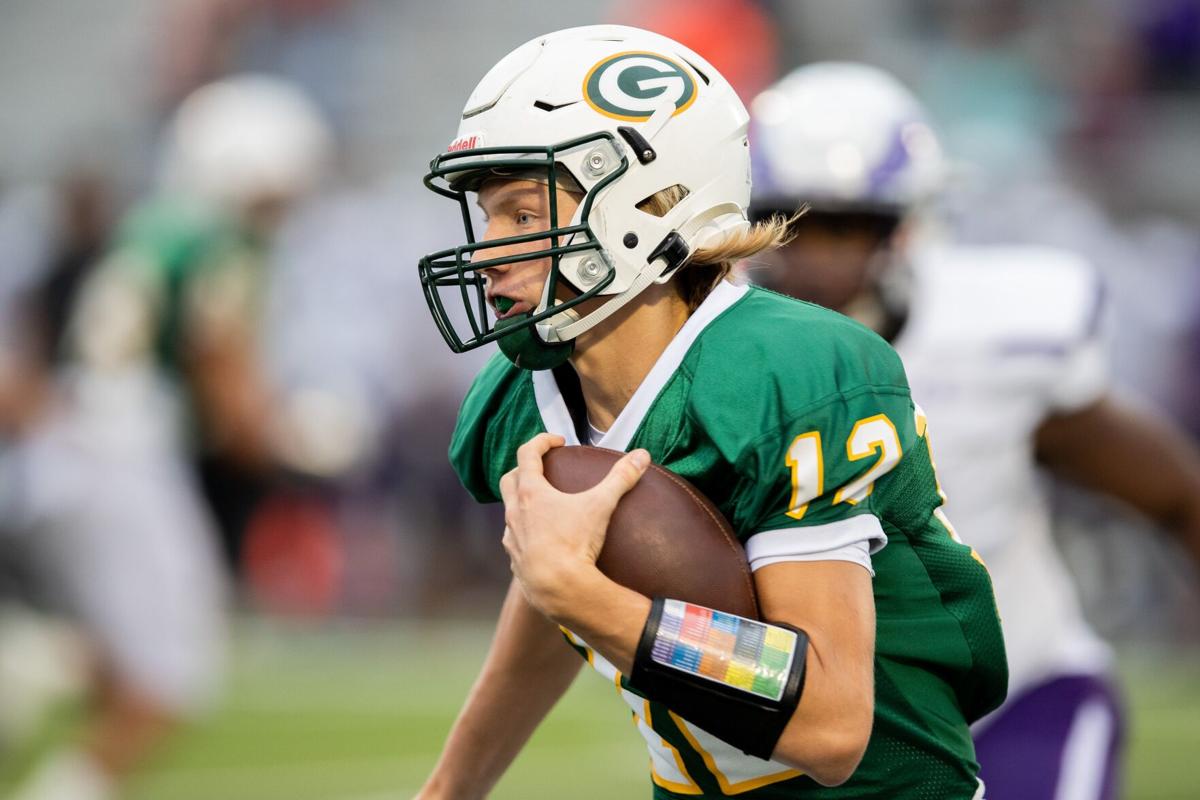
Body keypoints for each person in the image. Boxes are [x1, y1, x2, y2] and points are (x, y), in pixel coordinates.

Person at [414, 25, 1006, 799]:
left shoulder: (785, 371)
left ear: (651, 202)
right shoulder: (523, 395)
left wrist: (587, 599)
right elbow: (551, 578)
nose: (491, 250)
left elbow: (828, 725)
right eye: (488, 217)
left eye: (524, 216)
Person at [748, 62, 1200, 800]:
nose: (818, 260)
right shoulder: (721, 361)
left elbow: (1176, 493)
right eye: (792, 225)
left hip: (1020, 694)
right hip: (839, 727)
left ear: (908, 225)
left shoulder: (996, 337)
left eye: (845, 227)